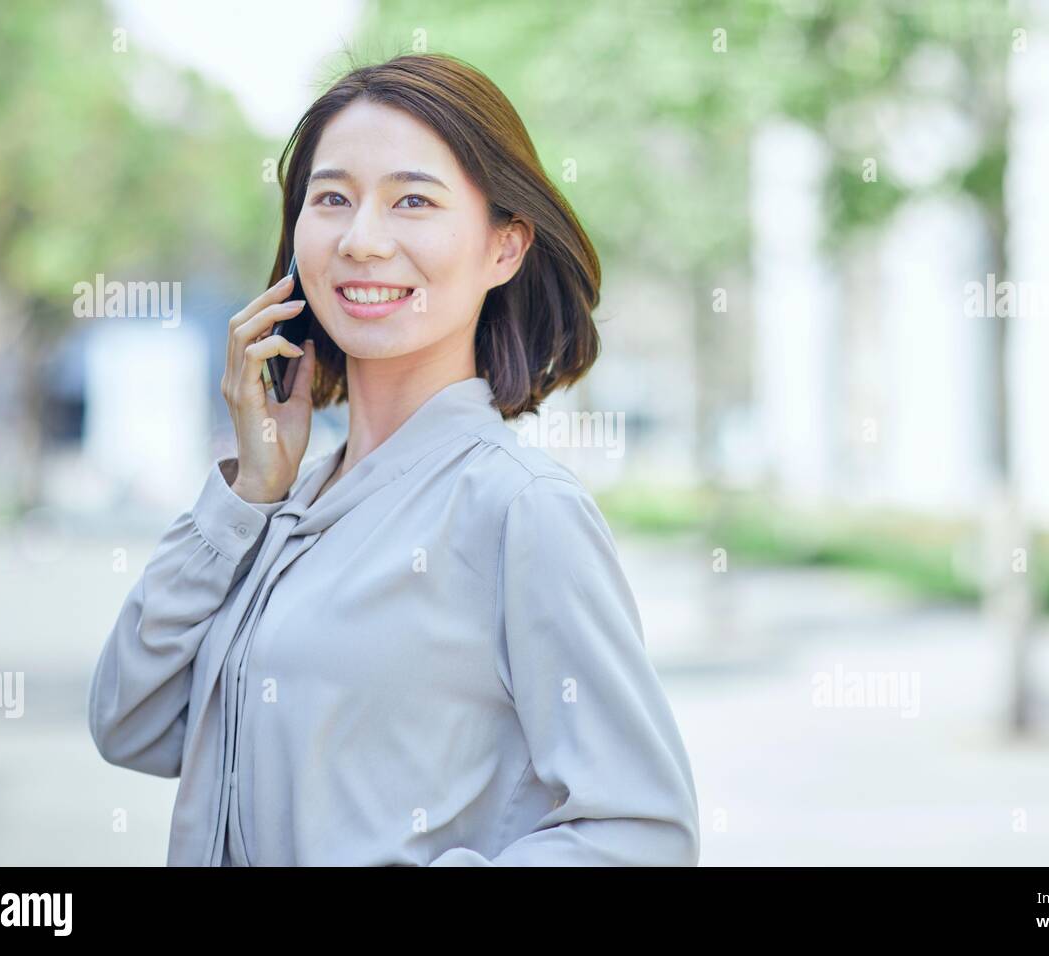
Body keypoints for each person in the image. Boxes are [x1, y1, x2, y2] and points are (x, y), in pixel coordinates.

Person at [86, 52, 700, 866]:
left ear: (504, 247)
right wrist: (247, 498)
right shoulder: (283, 505)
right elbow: (131, 725)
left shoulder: (519, 508)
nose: (363, 240)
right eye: (332, 198)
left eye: (413, 200)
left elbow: (641, 833)